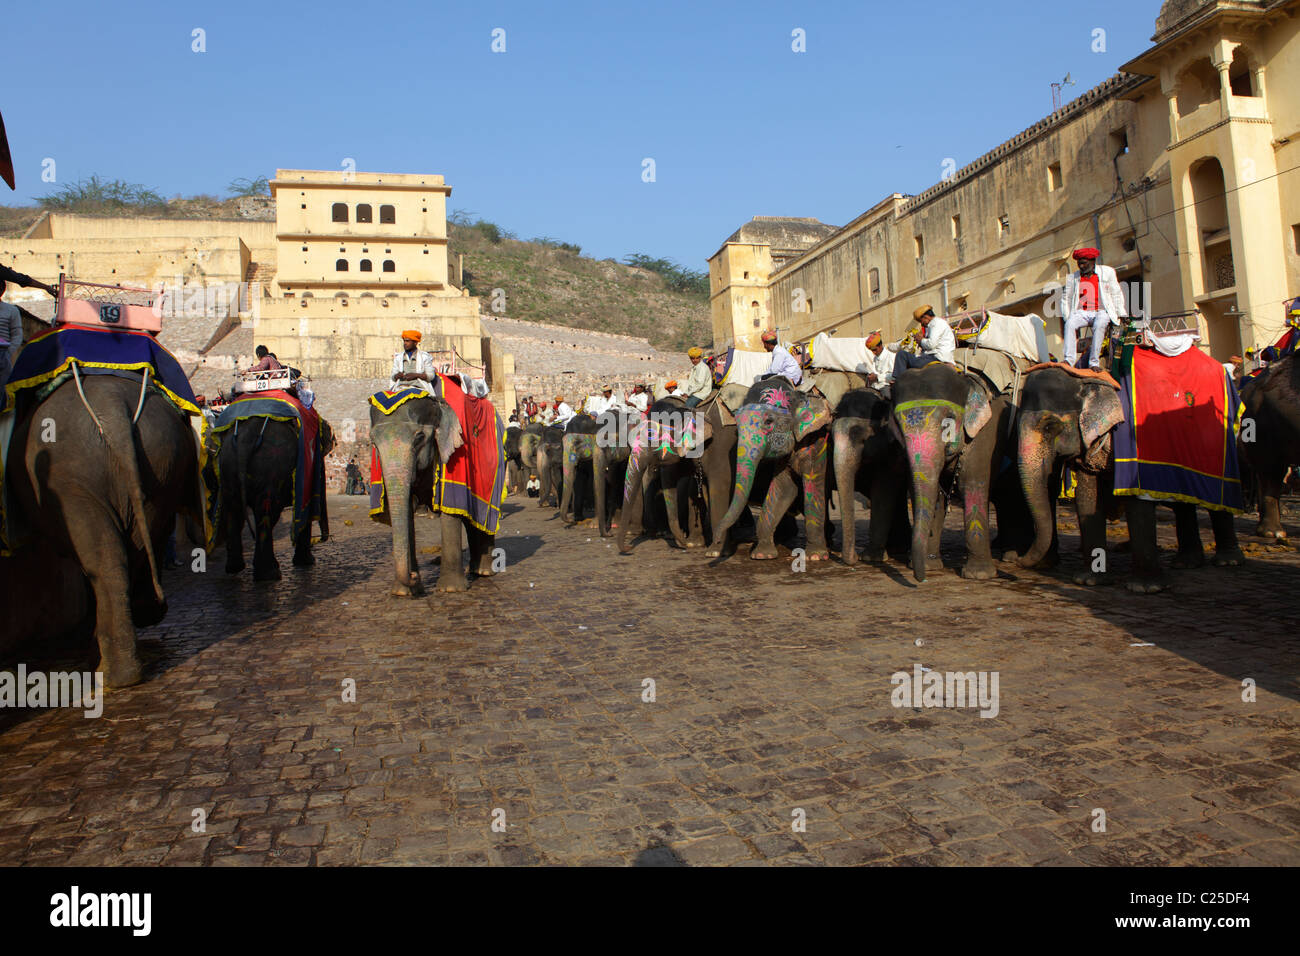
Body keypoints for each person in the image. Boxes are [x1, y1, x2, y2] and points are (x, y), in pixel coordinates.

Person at [1061, 247, 1127, 369]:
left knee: (1100, 324)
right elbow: (1066, 298)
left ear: (1092, 261)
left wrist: (1121, 313)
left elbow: (1116, 293)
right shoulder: (1073, 278)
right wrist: (1067, 316)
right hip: (1082, 312)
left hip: (1101, 311)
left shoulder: (1108, 272)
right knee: (1070, 324)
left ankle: (1094, 362)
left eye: (1084, 263)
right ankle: (1068, 360)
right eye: (1079, 263)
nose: (1081, 266)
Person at [892, 305, 956, 378]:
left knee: (902, 355)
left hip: (936, 357)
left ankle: (898, 380)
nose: (921, 324)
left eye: (921, 321)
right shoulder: (935, 324)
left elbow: (931, 344)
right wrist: (922, 342)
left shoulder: (936, 323)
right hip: (937, 356)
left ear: (926, 317)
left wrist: (921, 340)